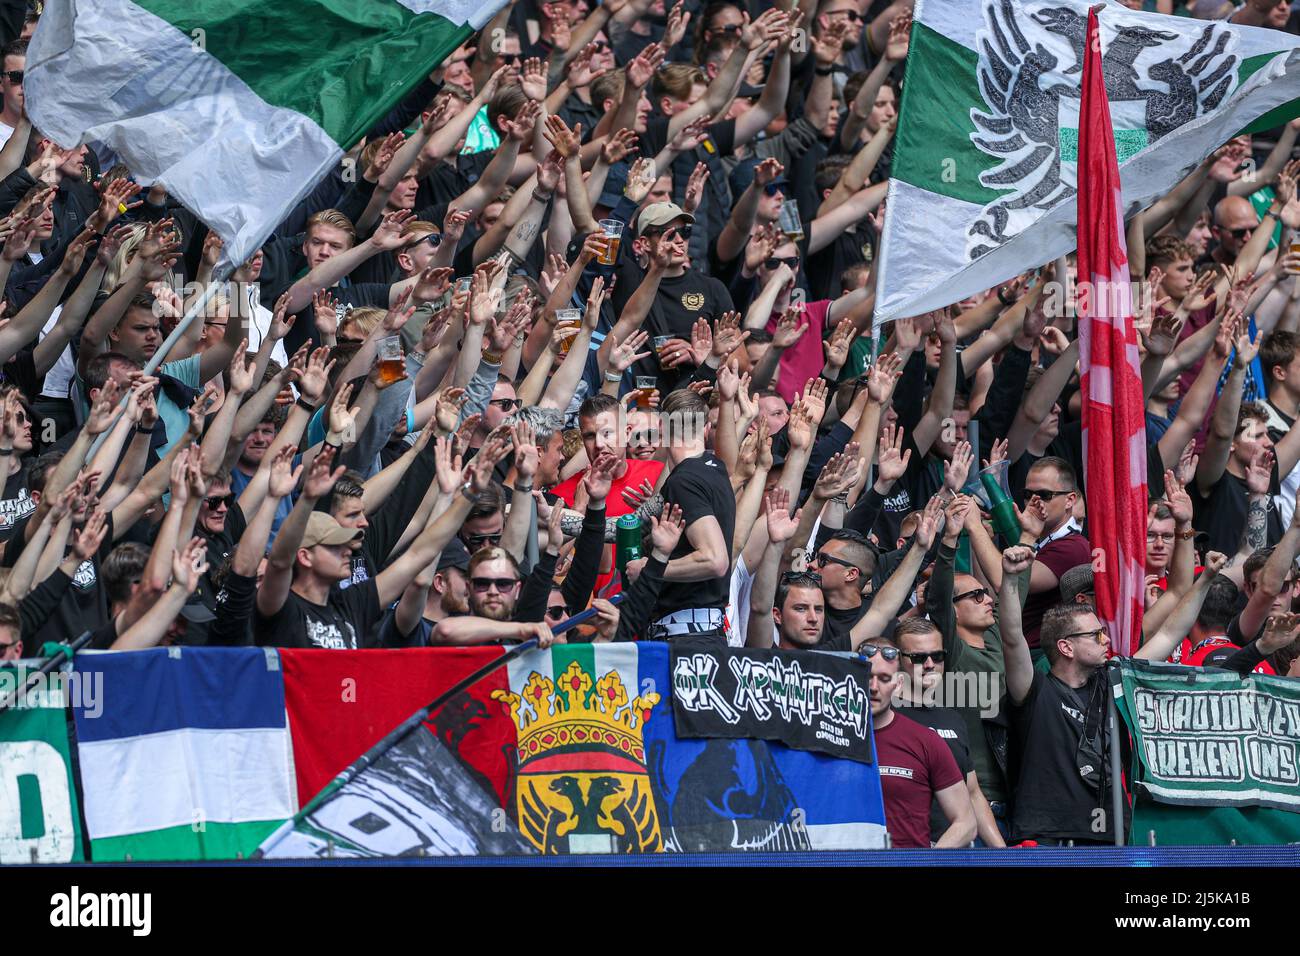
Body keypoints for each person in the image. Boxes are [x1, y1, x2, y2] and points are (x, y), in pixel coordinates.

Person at [863, 637, 977, 849]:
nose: (874, 687)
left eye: (884, 678)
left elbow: (966, 822)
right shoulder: (829, 736)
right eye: (866, 676)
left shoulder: (926, 740)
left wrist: (929, 862)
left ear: (898, 685)